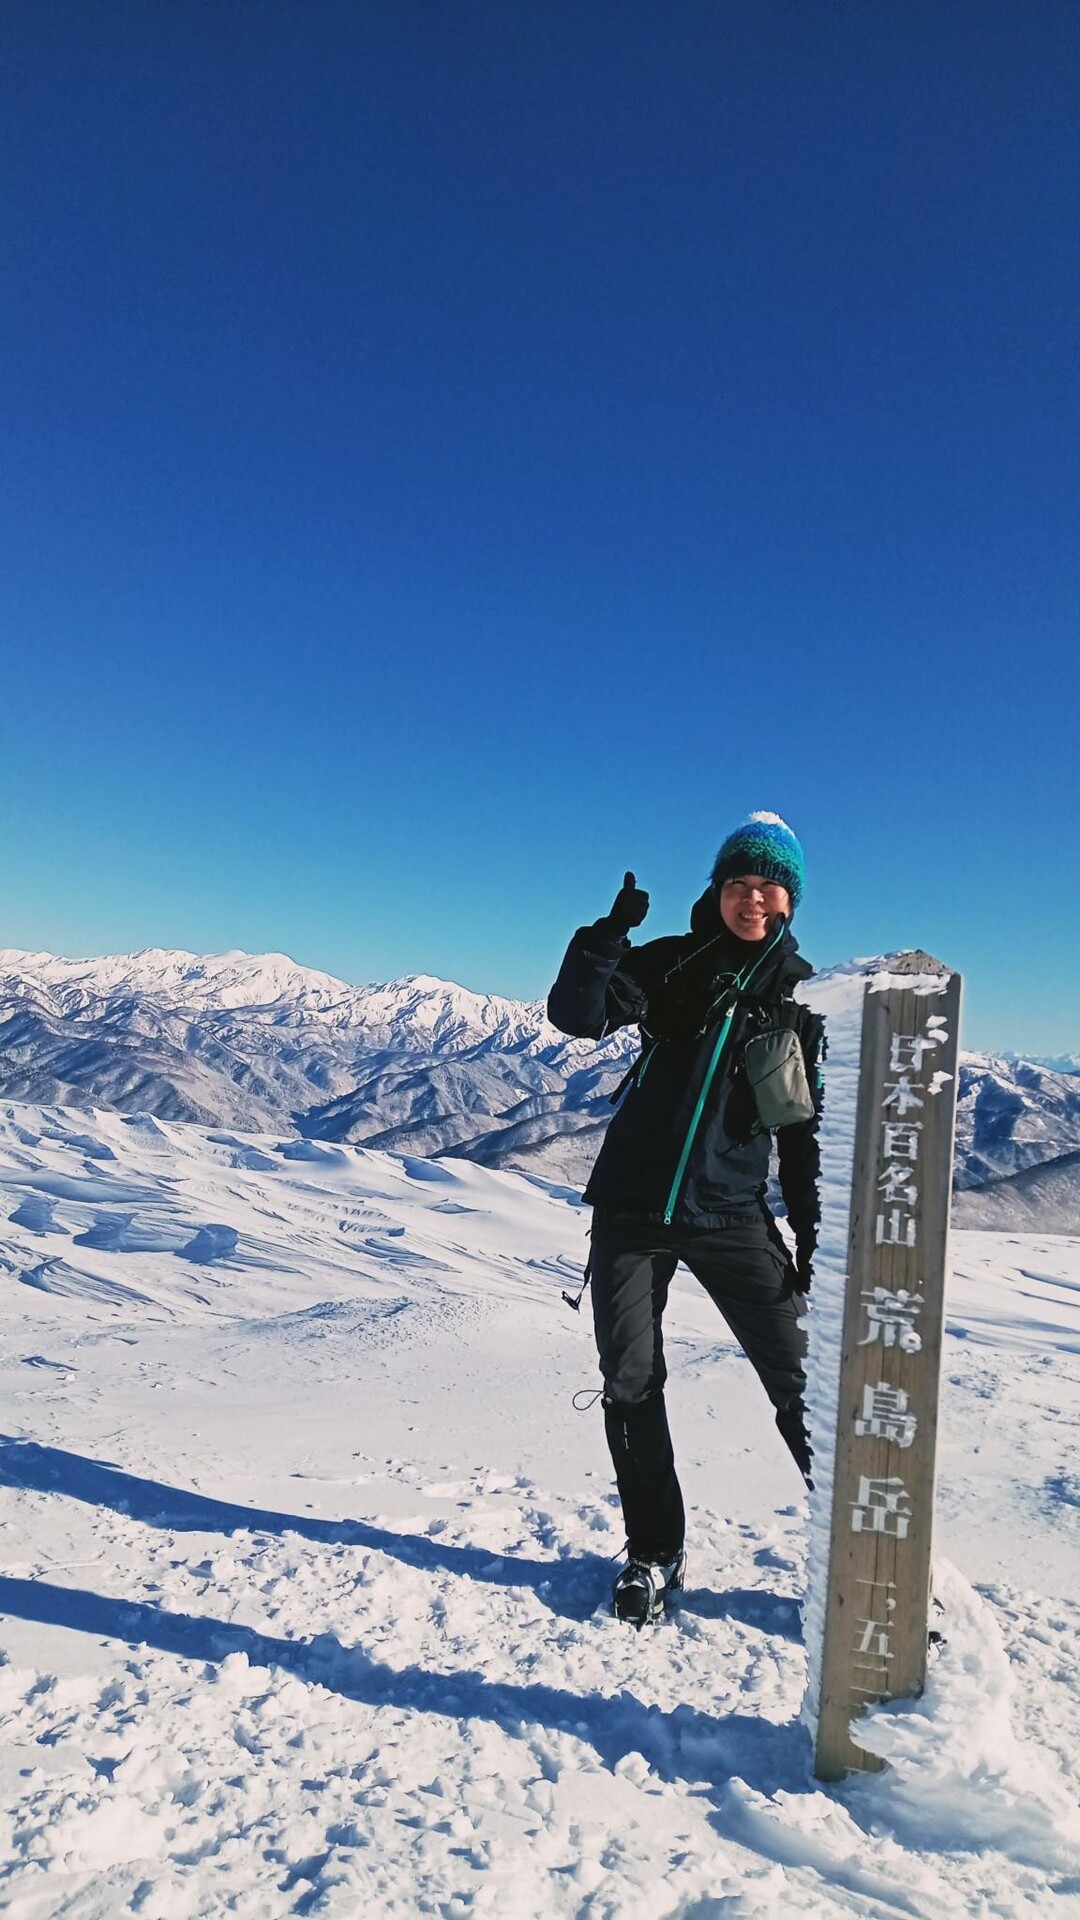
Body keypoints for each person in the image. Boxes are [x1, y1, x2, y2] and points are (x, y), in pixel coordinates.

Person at [547, 812, 824, 1627]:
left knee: (803, 1381)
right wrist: (605, 939)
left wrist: (813, 1238)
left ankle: (857, 1548)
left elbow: (803, 1140)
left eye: (769, 885)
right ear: (719, 889)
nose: (752, 897)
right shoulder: (671, 963)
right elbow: (578, 1014)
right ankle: (653, 1553)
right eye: (739, 882)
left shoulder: (798, 1012)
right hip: (631, 1211)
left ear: (789, 901)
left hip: (730, 1217)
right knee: (630, 1384)